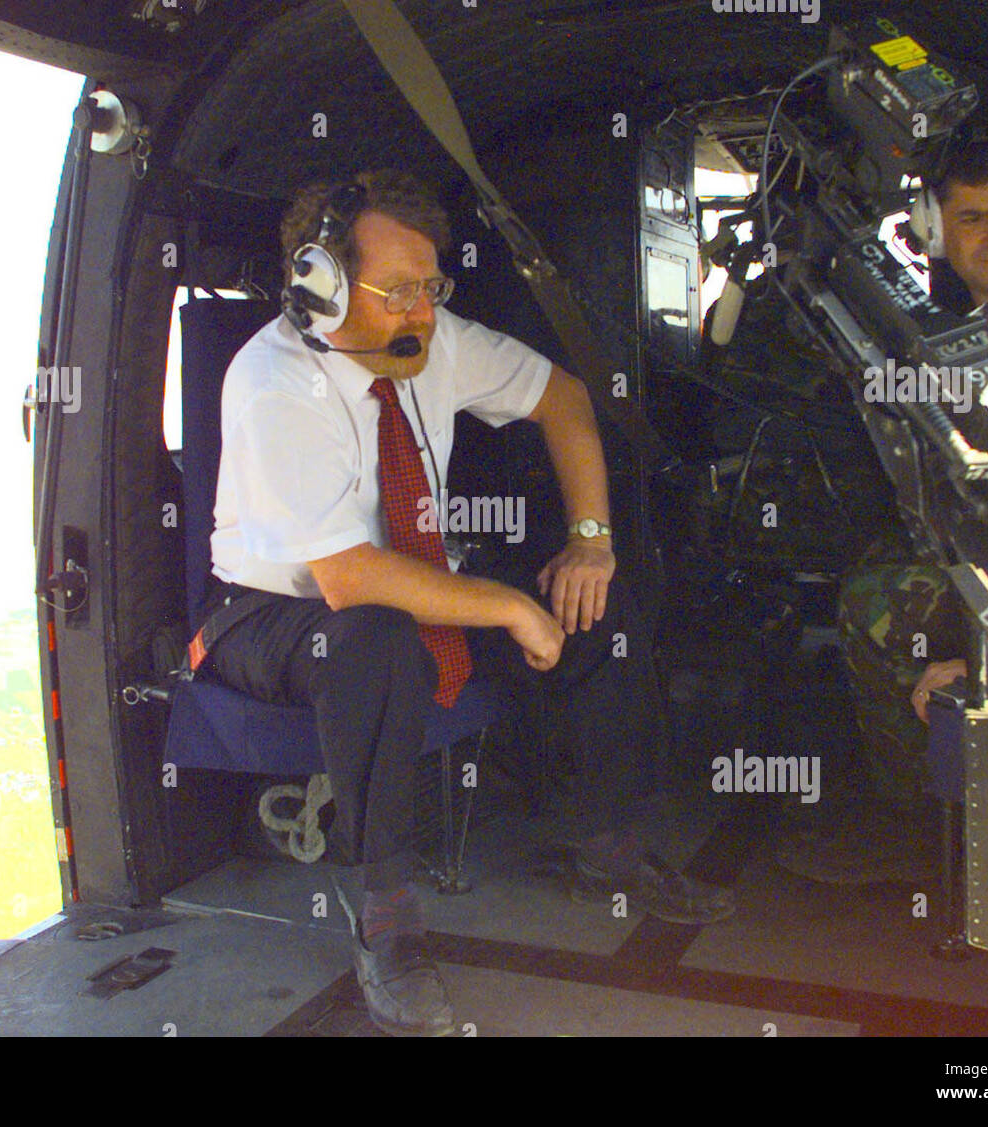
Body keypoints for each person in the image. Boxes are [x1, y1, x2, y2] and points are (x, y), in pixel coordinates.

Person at [200, 170, 734, 1036]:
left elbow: (562, 398)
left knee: (595, 599)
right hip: (273, 611)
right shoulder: (272, 380)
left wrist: (591, 538)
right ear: (322, 284)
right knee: (372, 639)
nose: (422, 308)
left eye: (432, 285)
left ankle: (610, 845)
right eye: (400, 289)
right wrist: (510, 609)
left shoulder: (432, 337)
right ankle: (386, 922)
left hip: (402, 589)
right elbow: (348, 577)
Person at [779, 124, 988, 884]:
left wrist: (984, 645)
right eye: (972, 218)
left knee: (879, 603)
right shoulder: (987, 318)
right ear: (937, 229)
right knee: (870, 552)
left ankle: (915, 834)